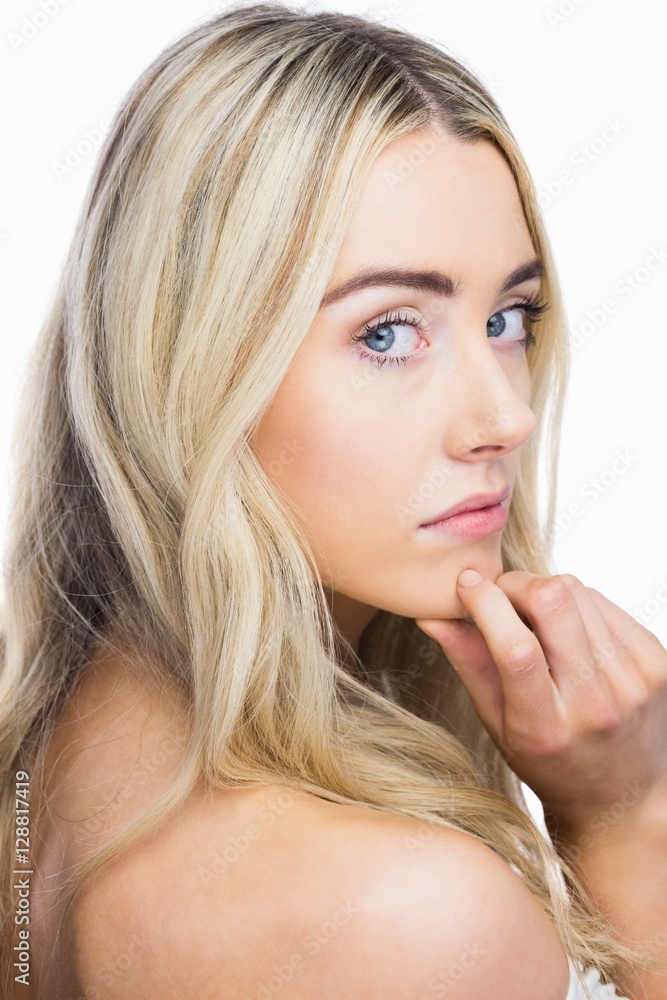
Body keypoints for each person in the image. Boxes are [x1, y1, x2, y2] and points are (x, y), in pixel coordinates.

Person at [1, 3, 665, 998]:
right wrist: (626, 823)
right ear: (194, 364)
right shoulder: (411, 914)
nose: (503, 417)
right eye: (388, 332)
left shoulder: (41, 766)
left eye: (506, 316)